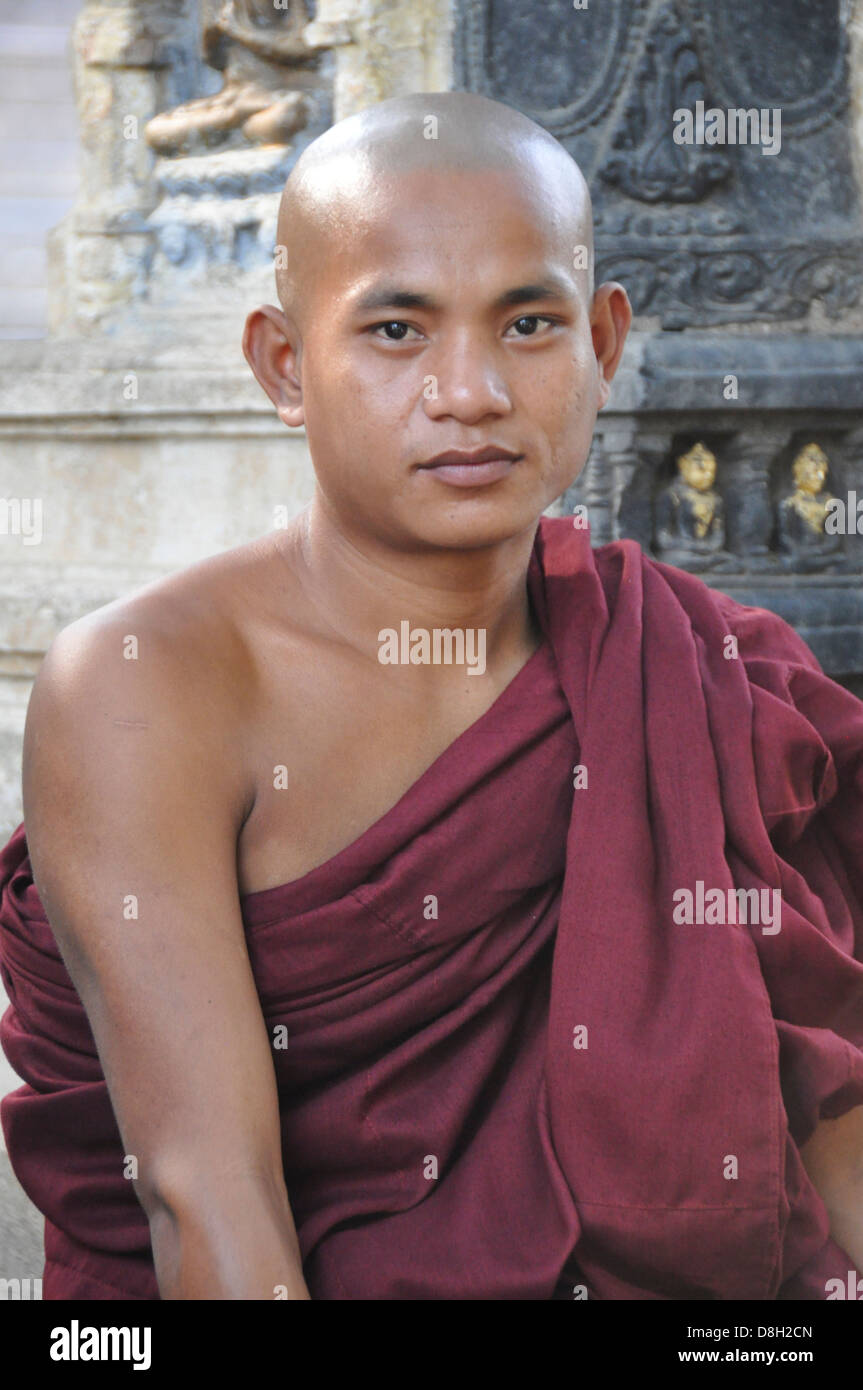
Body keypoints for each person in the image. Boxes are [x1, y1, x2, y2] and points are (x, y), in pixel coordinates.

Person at [1, 90, 862, 1301]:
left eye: (525, 323)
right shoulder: (150, 688)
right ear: (283, 365)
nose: (470, 391)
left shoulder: (698, 669)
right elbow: (207, 1200)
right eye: (397, 331)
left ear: (601, 347)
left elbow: (821, 1111)